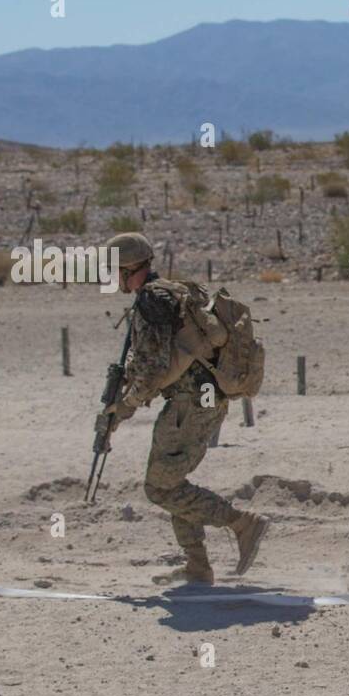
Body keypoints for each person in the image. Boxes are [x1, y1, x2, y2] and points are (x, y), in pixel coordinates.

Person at [98, 232, 268, 585]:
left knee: (160, 488)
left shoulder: (151, 302)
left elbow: (153, 370)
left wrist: (122, 410)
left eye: (114, 270)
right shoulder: (174, 291)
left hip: (189, 405)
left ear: (129, 268)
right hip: (202, 401)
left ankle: (242, 524)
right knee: (172, 483)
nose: (112, 278)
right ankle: (197, 567)